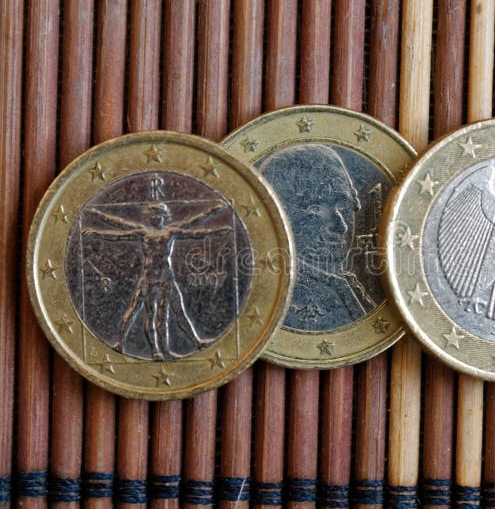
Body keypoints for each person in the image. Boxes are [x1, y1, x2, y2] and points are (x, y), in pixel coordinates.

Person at [82, 201, 230, 359]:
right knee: (146, 313)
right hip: (150, 278)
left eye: (159, 215)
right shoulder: (143, 232)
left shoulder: (170, 232)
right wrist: (97, 223)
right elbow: (119, 230)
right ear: (148, 217)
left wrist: (214, 221)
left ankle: (194, 343)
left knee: (174, 312)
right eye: (153, 215)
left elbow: (193, 227)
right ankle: (145, 348)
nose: (156, 218)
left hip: (166, 277)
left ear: (165, 217)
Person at [259, 144, 377, 331]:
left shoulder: (346, 284)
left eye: (344, 206)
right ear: (278, 217)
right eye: (315, 208)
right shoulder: (267, 295)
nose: (342, 226)